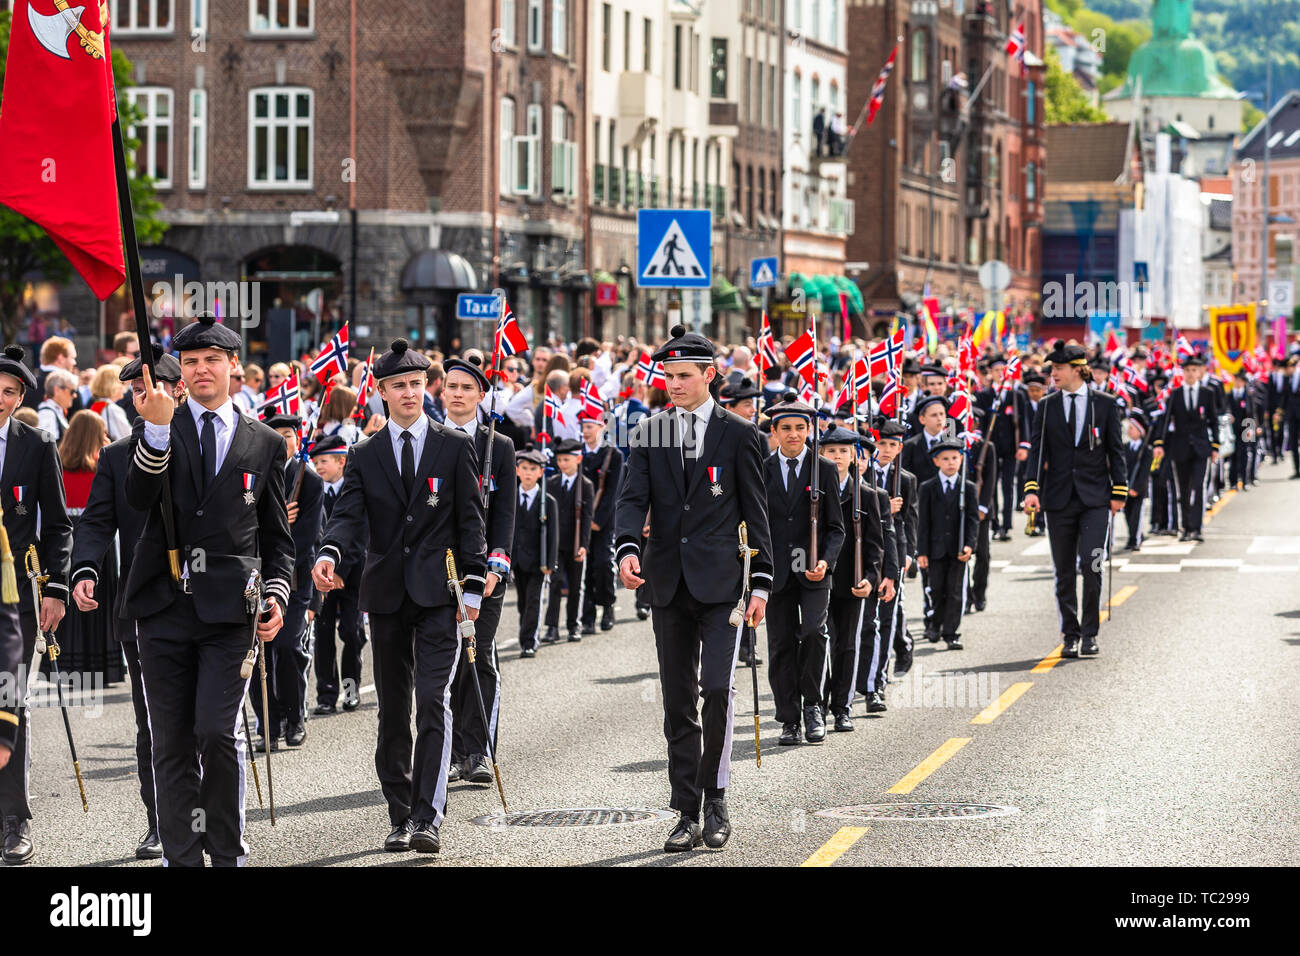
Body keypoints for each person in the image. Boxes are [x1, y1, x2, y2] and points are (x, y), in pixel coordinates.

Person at [126, 314, 293, 867]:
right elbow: (137, 497)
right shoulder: (158, 427)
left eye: (211, 360)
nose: (201, 370)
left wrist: (277, 593)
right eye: (191, 362)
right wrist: (153, 430)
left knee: (217, 734)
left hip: (231, 614)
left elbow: (277, 537)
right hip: (164, 609)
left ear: (232, 368)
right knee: (171, 742)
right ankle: (183, 857)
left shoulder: (266, 442)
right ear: (180, 373)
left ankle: (226, 853)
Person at [312, 339, 488, 855]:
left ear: (424, 387)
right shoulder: (364, 454)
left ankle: (429, 816)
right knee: (393, 710)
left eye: (416, 383)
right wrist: (329, 553)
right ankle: (400, 813)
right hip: (386, 594)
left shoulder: (453, 445)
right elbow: (348, 514)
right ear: (381, 391)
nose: (409, 393)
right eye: (398, 385)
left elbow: (471, 522)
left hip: (440, 594)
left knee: (433, 700)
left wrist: (473, 586)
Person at [615, 325, 772, 852]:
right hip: (667, 584)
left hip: (723, 586)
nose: (673, 384)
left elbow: (757, 512)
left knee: (717, 690)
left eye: (683, 376)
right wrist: (627, 548)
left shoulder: (740, 433)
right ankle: (684, 809)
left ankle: (716, 797)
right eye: (668, 375)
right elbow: (631, 499)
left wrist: (762, 584)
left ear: (709, 376)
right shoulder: (648, 431)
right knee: (678, 699)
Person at [69, 346, 185, 859]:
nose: (145, 398)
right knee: (153, 721)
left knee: (206, 723)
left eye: (154, 390)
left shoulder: (203, 444)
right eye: (137, 392)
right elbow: (95, 522)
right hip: (143, 606)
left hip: (209, 604)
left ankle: (204, 813)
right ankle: (160, 821)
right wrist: (87, 567)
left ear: (178, 391)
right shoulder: (116, 456)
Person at [0, 346, 72, 866]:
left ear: (21, 397)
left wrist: (56, 589)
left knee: (9, 703)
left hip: (15, 595)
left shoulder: (37, 443)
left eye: (10, 392)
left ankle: (14, 819)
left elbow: (60, 523)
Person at [439, 355, 517, 786]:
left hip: (484, 569)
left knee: (478, 653)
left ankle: (478, 750)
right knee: (444, 660)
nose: (458, 394)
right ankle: (449, 750)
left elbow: (504, 513)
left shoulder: (498, 445)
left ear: (482, 395)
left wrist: (496, 564)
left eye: (467, 388)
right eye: (451, 386)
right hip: (441, 567)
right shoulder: (430, 438)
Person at [1022, 342, 1127, 659]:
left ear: (1077, 370)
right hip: (1059, 499)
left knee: (1092, 565)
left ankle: (1090, 633)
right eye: (1051, 369)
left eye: (1057, 369)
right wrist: (1031, 489)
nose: (1052, 374)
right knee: (1064, 571)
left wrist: (1119, 490)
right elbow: (1037, 451)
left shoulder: (1106, 404)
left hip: (1095, 499)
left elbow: (1115, 451)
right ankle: (1070, 634)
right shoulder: (1047, 405)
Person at [761, 400, 845, 746]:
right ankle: (789, 718)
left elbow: (836, 527)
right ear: (774, 432)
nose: (793, 434)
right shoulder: (761, 468)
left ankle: (813, 705)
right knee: (780, 644)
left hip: (813, 570)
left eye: (799, 428)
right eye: (785, 428)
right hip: (776, 571)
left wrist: (825, 561)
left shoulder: (823, 468)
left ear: (809, 431)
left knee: (813, 633)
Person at [255, 414, 323, 751]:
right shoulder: (253, 475)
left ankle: (295, 716)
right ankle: (269, 721)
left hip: (295, 580)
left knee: (287, 647)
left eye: (288, 435)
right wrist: (278, 514)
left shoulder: (309, 481)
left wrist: (278, 522)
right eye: (276, 434)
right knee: (257, 653)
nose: (283, 441)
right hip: (256, 578)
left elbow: (306, 537)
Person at [819, 426, 887, 732]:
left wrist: (871, 577)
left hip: (852, 579)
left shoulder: (867, 495)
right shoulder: (813, 491)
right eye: (831, 451)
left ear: (854, 456)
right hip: (818, 579)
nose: (837, 456)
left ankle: (842, 706)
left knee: (847, 645)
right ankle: (816, 704)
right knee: (816, 642)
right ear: (821, 455)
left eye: (843, 451)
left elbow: (875, 544)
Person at [51, 411, 123, 684]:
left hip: (68, 537)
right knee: (98, 604)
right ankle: (100, 665)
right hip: (95, 539)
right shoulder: (101, 467)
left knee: (70, 601)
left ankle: (69, 662)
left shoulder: (59, 466)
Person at [309, 435, 367, 714]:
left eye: (324, 461)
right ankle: (326, 693)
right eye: (315, 461)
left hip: (353, 575)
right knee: (323, 634)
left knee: (351, 632)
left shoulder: (355, 490)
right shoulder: (314, 491)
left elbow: (359, 534)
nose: (318, 467)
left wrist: (341, 570)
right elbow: (316, 534)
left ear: (341, 462)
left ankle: (351, 686)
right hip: (322, 576)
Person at [916, 439, 979, 649]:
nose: (951, 463)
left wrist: (970, 545)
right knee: (936, 589)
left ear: (961, 459)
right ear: (936, 461)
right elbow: (923, 522)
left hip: (958, 548)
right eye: (945, 459)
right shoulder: (927, 487)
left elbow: (972, 520)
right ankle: (935, 624)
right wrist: (922, 551)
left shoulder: (968, 488)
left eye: (954, 458)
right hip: (935, 549)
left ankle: (952, 632)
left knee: (954, 591)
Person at [1155, 355, 1218, 542]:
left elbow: (1213, 420)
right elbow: (1165, 420)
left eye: (1194, 370)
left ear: (1200, 372)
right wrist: (1159, 442)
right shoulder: (1176, 394)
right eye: (1187, 370)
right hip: (1180, 447)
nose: (1190, 374)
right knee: (1182, 489)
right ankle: (1186, 527)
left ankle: (1197, 528)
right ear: (1182, 373)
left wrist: (1215, 445)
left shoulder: (1208, 393)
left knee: (1198, 487)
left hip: (1201, 448)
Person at [542, 438, 592, 643]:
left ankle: (574, 625)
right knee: (554, 584)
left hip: (575, 544)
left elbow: (587, 517)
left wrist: (584, 545)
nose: (563, 463)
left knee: (575, 586)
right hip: (556, 544)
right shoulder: (552, 483)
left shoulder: (585, 485)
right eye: (560, 459)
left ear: (578, 459)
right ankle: (552, 627)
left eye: (567, 459)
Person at [579, 408, 622, 635]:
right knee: (584, 568)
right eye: (583, 427)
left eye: (590, 426)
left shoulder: (613, 455)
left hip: (603, 521)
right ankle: (587, 616)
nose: (586, 432)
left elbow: (613, 492)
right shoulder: (578, 454)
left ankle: (607, 606)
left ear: (601, 426)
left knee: (603, 563)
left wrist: (598, 520)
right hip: (581, 520)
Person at [511, 448, 558, 658]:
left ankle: (529, 642)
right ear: (517, 470)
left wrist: (550, 562)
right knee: (522, 603)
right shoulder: (510, 498)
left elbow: (553, 535)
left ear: (540, 472)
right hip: (517, 561)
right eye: (524, 468)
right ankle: (525, 634)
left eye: (533, 469)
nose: (528, 473)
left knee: (533, 601)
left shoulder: (547, 501)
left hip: (538, 562)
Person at [1121, 409, 1154, 551]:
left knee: (1137, 515)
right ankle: (1131, 537)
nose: (1129, 431)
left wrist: (1137, 488)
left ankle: (1136, 539)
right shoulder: (1125, 447)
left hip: (1138, 490)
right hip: (1127, 487)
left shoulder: (1146, 450)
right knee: (1128, 515)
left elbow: (1145, 472)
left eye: (1132, 428)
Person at [88, 365, 133, 441]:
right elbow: (127, 438)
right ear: (112, 385)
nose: (125, 386)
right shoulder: (112, 409)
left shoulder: (97, 404)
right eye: (122, 382)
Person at [36, 368, 77, 442]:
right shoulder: (47, 414)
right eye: (72, 391)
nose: (75, 395)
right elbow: (46, 445)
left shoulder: (55, 411)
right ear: (57, 390)